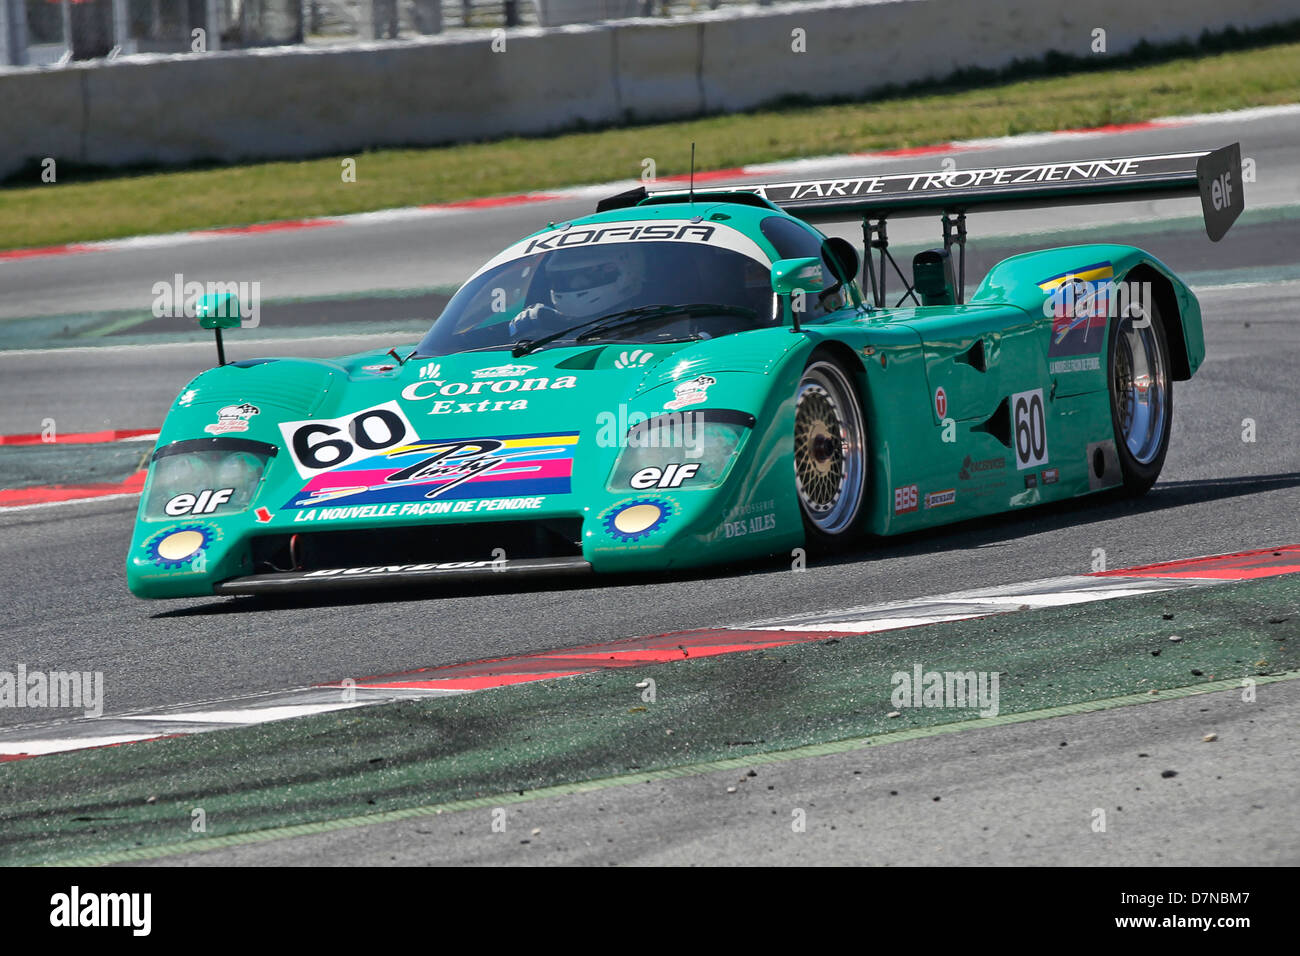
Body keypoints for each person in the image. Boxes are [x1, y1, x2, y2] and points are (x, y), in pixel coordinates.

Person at [509, 245, 648, 338]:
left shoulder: (658, 325)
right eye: (564, 278)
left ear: (627, 271)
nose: (574, 284)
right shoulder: (535, 322)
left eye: (589, 274)